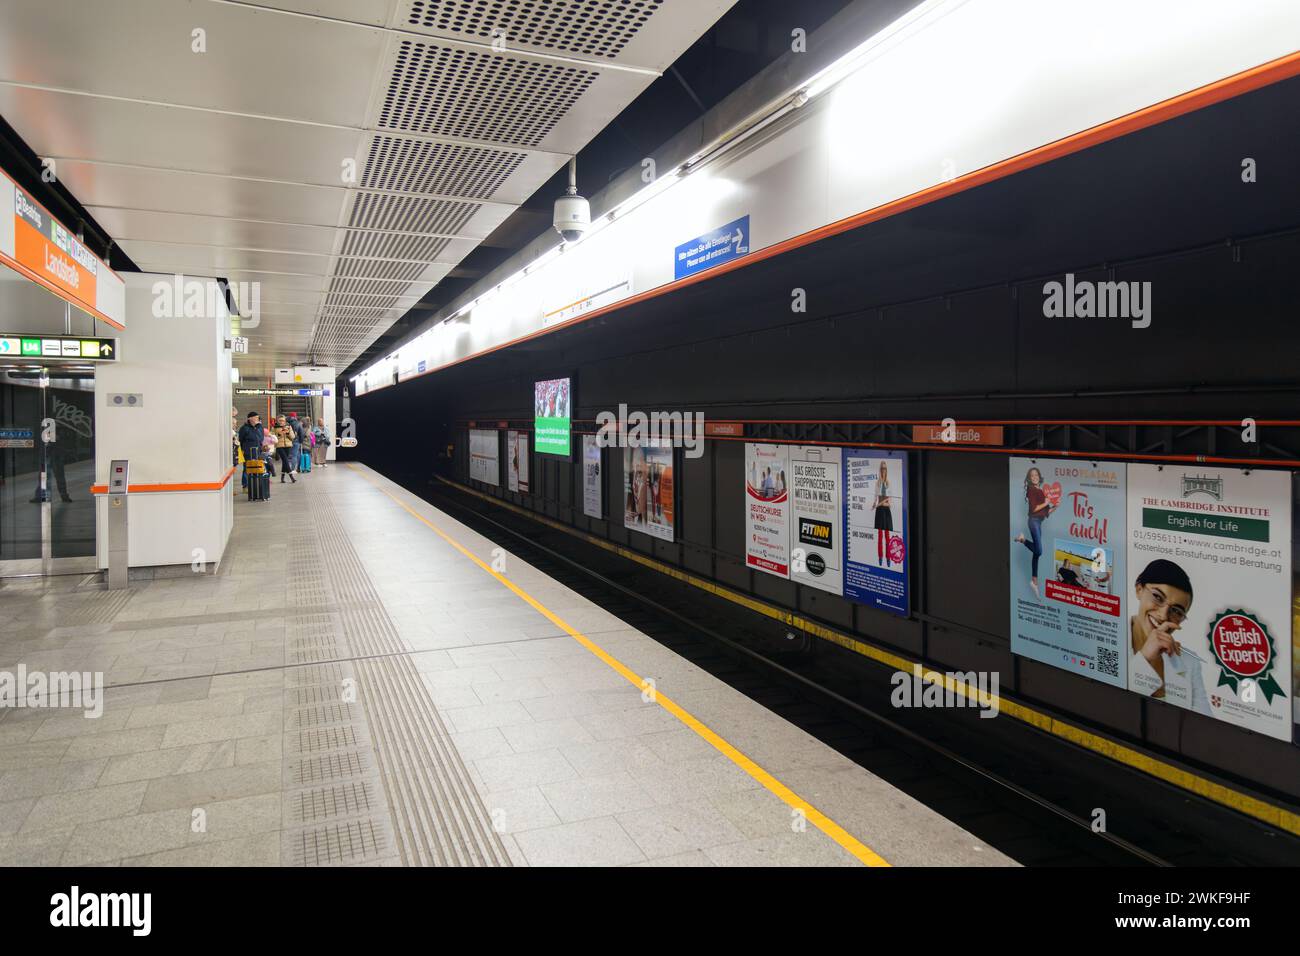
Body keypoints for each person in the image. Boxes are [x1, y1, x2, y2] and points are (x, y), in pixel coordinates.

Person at [1128, 559, 1209, 714]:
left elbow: (1204, 722)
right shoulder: (1108, 633)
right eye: (1158, 597)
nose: (1163, 615)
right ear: (1139, 589)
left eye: (1177, 611)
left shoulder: (1190, 662)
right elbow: (1108, 707)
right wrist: (1144, 658)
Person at [1012, 466, 1055, 598]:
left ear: (1039, 476)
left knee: (1036, 553)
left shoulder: (1041, 491)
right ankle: (1023, 540)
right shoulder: (1031, 490)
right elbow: (1034, 508)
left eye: (1036, 475)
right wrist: (1046, 502)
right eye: (1032, 476)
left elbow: (1046, 512)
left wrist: (1055, 506)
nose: (1035, 477)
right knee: (1039, 551)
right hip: (1033, 522)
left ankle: (1034, 581)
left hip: (1039, 522)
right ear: (1030, 479)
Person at [874, 461, 894, 568]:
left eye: (885, 468)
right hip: (879, 510)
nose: (883, 470)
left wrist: (879, 504)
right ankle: (880, 557)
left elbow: (889, 501)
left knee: (887, 536)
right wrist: (875, 504)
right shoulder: (878, 482)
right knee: (880, 536)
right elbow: (875, 496)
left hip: (886, 510)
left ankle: (888, 557)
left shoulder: (888, 483)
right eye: (882, 468)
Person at [274, 416, 296, 482]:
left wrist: (288, 433)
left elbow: (293, 437)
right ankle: (291, 476)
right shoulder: (275, 427)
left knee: (284, 461)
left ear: (285, 421)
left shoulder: (289, 426)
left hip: (288, 445)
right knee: (285, 460)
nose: (281, 422)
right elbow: (272, 437)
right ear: (277, 421)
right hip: (279, 446)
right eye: (280, 420)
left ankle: (282, 478)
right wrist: (279, 434)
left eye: (283, 420)